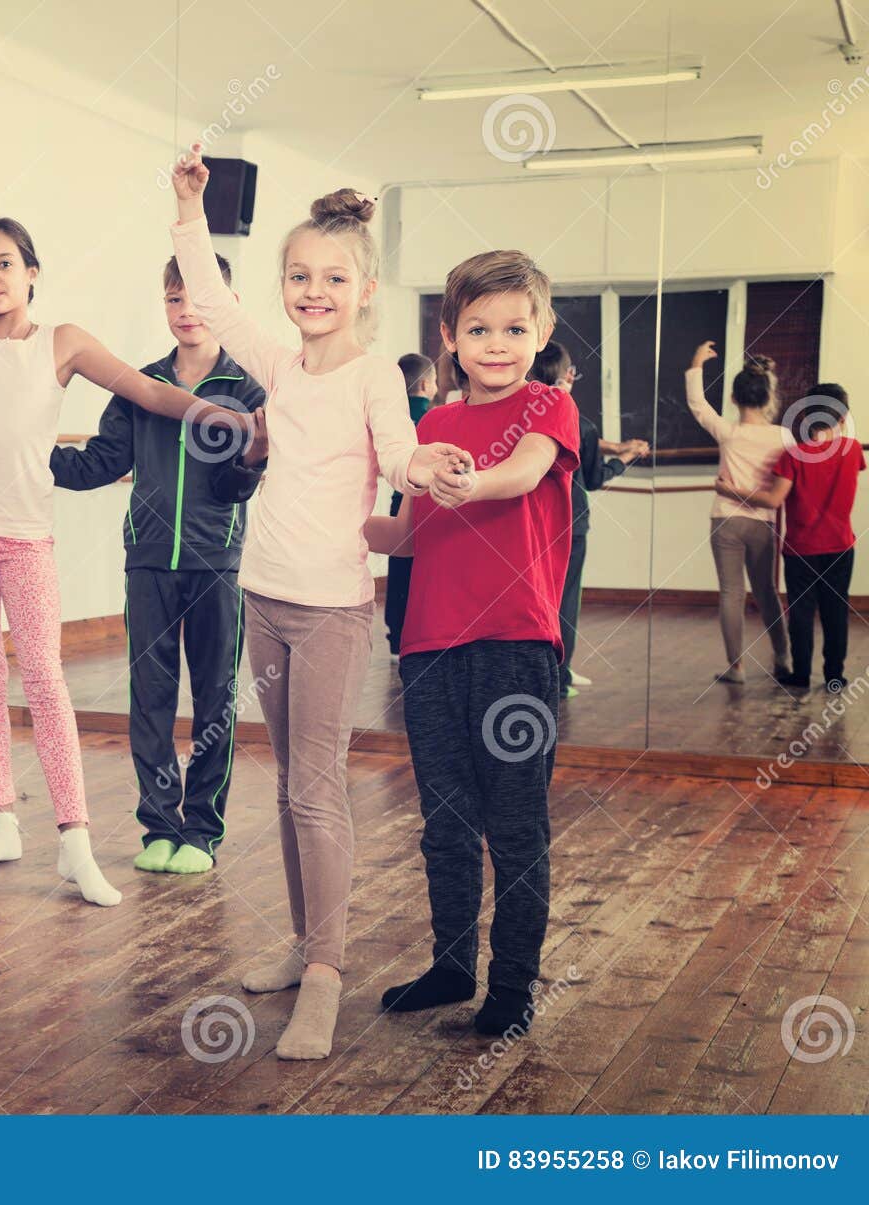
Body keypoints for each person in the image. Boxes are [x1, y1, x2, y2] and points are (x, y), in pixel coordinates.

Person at [0, 103, 250, 907]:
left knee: (46, 682)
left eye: (4, 264)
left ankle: (74, 842)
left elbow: (147, 390)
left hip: (26, 538)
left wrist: (219, 417)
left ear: (31, 273)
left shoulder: (63, 341)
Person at [170, 144, 469, 1058]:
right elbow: (212, 299)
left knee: (318, 790)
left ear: (365, 287)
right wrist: (190, 206)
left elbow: (396, 452)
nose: (312, 290)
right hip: (263, 597)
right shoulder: (281, 364)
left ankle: (328, 975)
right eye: (299, 276)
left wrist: (423, 466)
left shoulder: (376, 376)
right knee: (291, 789)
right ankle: (305, 945)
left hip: (334, 610)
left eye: (332, 277)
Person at [367, 249, 579, 1039]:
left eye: (515, 328)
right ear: (449, 335)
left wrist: (468, 482)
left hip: (516, 646)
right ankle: (452, 962)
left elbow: (521, 476)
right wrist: (349, 521)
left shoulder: (549, 408)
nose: (498, 343)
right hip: (428, 648)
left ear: (542, 331)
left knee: (516, 826)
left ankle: (513, 983)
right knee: (446, 819)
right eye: (479, 328)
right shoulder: (432, 425)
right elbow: (412, 533)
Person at [49, 253, 265, 875]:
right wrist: (24, 453)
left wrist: (251, 458)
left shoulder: (247, 392)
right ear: (164, 305)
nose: (187, 311)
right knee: (149, 700)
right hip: (147, 563)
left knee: (216, 701)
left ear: (227, 302)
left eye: (199, 297)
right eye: (175, 299)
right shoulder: (136, 385)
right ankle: (159, 828)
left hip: (216, 567)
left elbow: (235, 488)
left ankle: (201, 830)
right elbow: (97, 465)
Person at [717, 384, 863, 691]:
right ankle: (834, 676)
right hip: (840, 546)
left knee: (801, 613)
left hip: (801, 550)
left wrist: (730, 490)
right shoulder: (852, 451)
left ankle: (800, 676)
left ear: (807, 416)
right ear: (843, 417)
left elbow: (772, 500)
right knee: (836, 612)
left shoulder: (794, 455)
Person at [528, 342, 647, 696]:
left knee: (535, 600)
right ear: (568, 375)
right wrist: (625, 460)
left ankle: (537, 674)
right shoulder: (582, 422)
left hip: (531, 524)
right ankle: (559, 676)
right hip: (568, 525)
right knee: (564, 602)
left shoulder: (524, 414)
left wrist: (614, 447)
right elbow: (593, 477)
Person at [685, 342, 790, 684]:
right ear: (769, 398)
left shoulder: (729, 432)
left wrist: (697, 363)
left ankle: (737, 668)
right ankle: (783, 660)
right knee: (766, 593)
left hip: (727, 520)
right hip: (763, 524)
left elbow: (698, 405)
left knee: (731, 593)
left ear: (734, 399)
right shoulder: (784, 438)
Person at [384, 353, 437, 658]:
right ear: (428, 384)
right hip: (429, 505)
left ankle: (396, 636)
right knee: (425, 573)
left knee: (400, 571)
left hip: (397, 501)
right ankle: (420, 636)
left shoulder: (393, 419)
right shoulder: (434, 417)